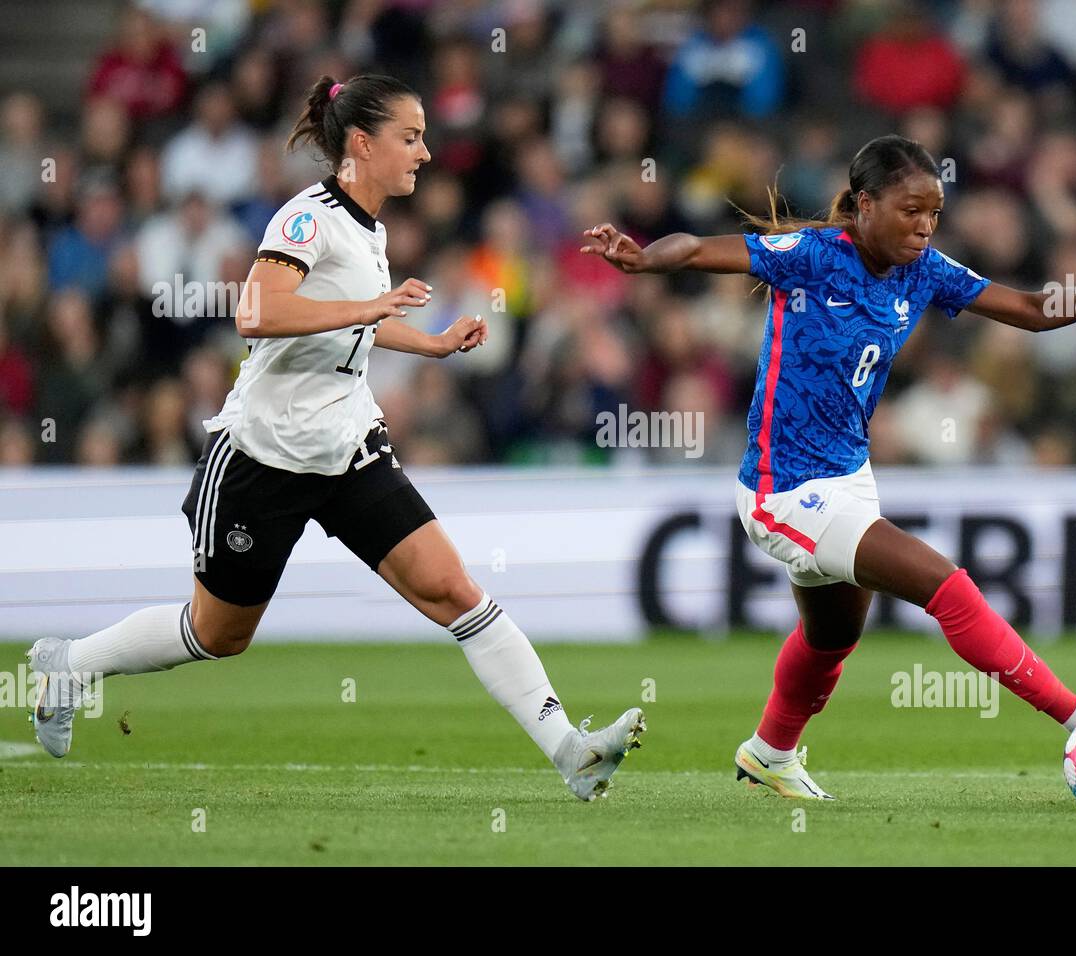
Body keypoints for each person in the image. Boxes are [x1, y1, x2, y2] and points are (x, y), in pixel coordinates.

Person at [28, 74, 645, 802]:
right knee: (218, 635)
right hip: (264, 455)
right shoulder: (308, 217)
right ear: (361, 143)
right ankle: (69, 664)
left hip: (346, 445)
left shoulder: (368, 226)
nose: (424, 152)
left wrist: (430, 341)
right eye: (410, 137)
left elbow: (352, 320)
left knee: (455, 590)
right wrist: (372, 303)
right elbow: (256, 314)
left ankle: (570, 749)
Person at [581, 134, 1076, 799]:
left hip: (848, 479)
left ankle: (769, 753)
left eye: (934, 214)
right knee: (947, 586)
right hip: (784, 491)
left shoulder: (925, 271)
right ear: (863, 205)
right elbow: (694, 249)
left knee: (832, 636)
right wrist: (642, 260)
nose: (924, 227)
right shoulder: (810, 257)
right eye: (910, 210)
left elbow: (1033, 312)